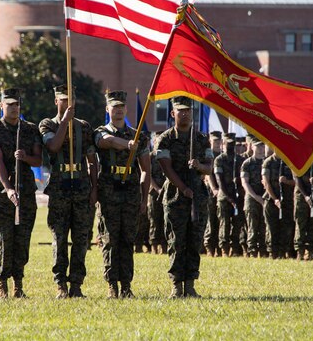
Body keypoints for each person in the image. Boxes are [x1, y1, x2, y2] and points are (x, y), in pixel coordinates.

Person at [0, 88, 43, 299]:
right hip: (1, 193)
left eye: (17, 104)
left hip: (25, 192)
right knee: (4, 238)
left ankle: (18, 284)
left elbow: (38, 160)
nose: (14, 108)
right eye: (9, 104)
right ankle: (2, 284)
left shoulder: (30, 129)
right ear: (2, 106)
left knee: (22, 239)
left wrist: (26, 157)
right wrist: (8, 188)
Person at [39, 85, 97, 299]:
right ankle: (61, 283)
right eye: (63, 99)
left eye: (70, 99)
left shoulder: (84, 127)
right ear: (56, 101)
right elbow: (53, 146)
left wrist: (94, 188)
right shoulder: (47, 124)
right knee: (60, 238)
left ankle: (76, 284)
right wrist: (64, 121)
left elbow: (92, 160)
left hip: (81, 187)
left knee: (81, 239)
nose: (67, 103)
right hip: (59, 188)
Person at [95, 91, 151, 298]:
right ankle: (112, 285)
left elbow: (146, 170)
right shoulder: (100, 131)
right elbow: (106, 141)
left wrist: (144, 198)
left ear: (126, 109)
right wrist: (127, 145)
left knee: (128, 239)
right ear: (107, 109)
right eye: (114, 106)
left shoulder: (139, 136)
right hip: (108, 192)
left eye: (121, 107)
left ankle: (126, 285)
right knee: (110, 239)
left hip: (130, 193)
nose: (118, 110)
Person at [157, 97, 213, 298]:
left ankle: (190, 285)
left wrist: (199, 166)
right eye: (180, 111)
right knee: (176, 241)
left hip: (197, 197)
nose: (185, 114)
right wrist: (183, 188)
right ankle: (176, 285)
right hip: (175, 197)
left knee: (194, 241)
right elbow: (166, 167)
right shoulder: (165, 139)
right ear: (173, 113)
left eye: (188, 110)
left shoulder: (201, 139)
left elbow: (209, 168)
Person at [213, 132, 244, 257]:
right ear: (223, 144)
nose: (230, 146)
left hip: (237, 196)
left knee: (237, 224)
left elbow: (244, 178)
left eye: (232, 144)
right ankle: (224, 249)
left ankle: (235, 248)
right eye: (228, 144)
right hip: (224, 197)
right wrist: (229, 198)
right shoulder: (219, 160)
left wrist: (239, 181)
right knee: (224, 223)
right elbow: (219, 180)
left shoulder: (240, 160)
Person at [241, 135, 267, 258]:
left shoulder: (266, 162)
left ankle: (263, 250)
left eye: (262, 146)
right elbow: (245, 183)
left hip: (265, 198)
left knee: (264, 226)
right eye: (258, 146)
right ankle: (252, 251)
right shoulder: (247, 163)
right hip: (252, 199)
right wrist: (256, 197)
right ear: (252, 147)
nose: (261, 149)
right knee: (252, 226)